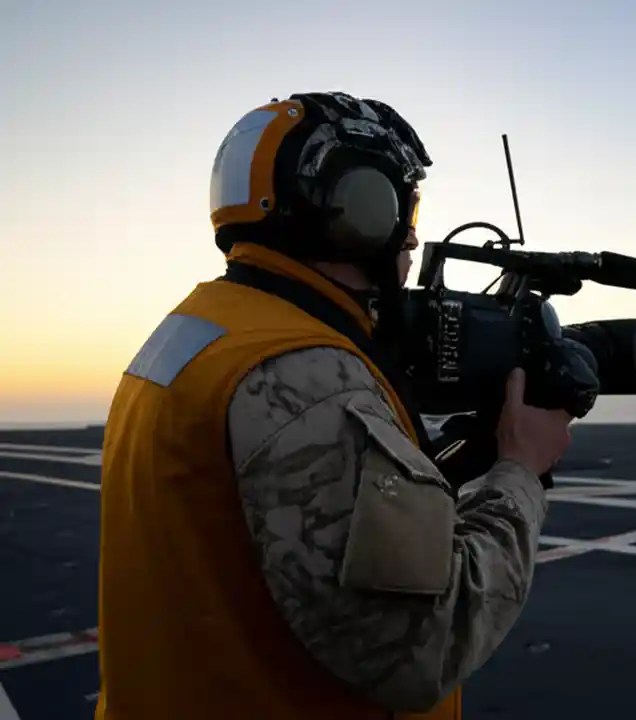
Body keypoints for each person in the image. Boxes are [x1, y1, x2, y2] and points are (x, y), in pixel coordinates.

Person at [95, 91, 572, 719]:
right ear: (364, 210)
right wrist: (520, 469)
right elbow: (417, 649)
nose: (409, 234)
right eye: (407, 204)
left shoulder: (203, 331)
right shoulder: (308, 378)